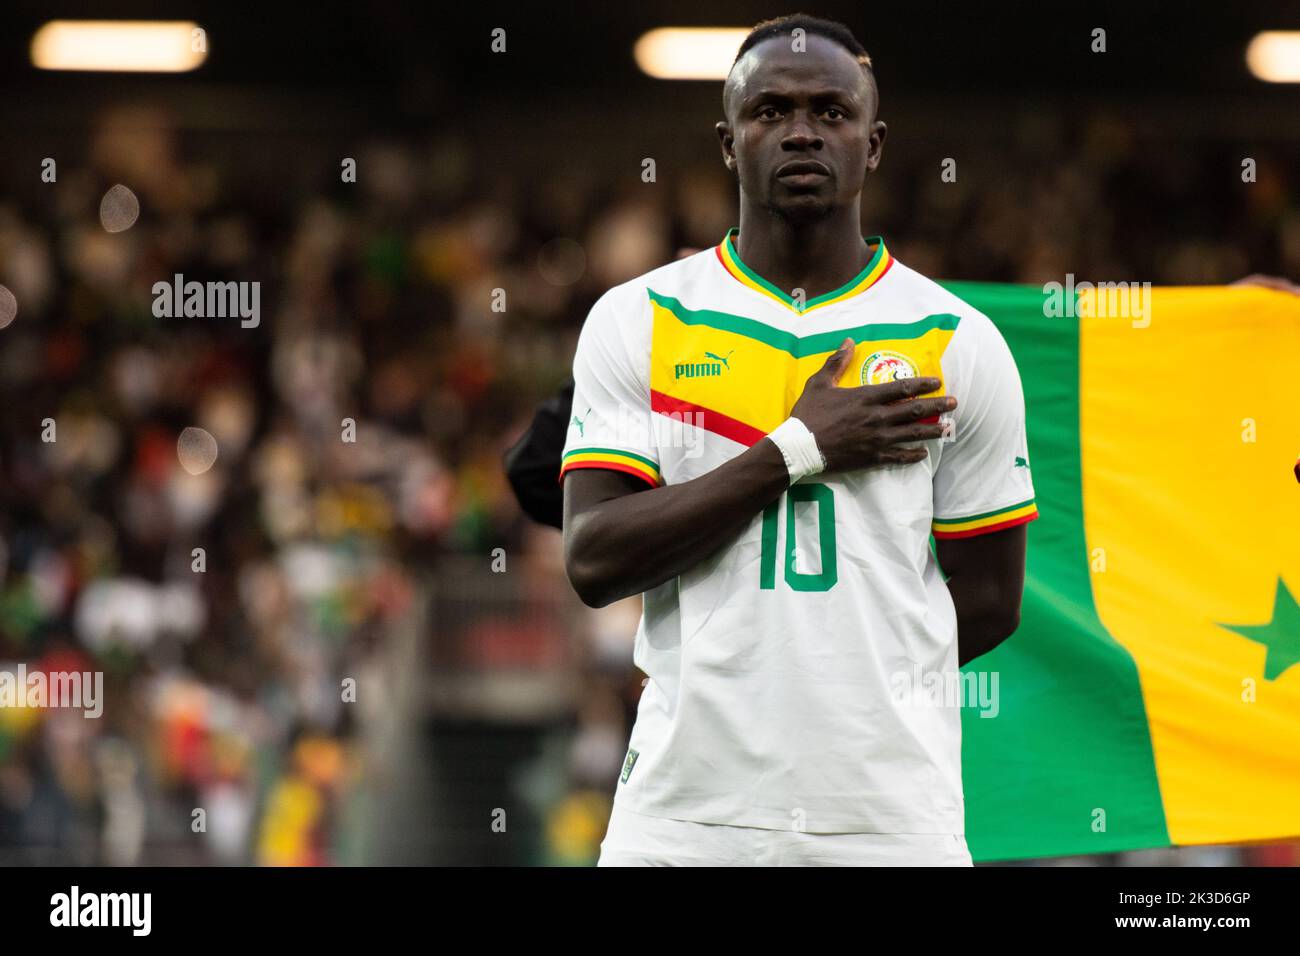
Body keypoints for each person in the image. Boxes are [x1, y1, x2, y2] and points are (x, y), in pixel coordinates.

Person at [544, 13, 1041, 866]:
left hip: (891, 824)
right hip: (683, 822)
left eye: (831, 111)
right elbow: (594, 559)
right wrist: (795, 450)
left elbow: (992, 599)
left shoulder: (956, 339)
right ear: (729, 142)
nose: (803, 131)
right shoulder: (641, 319)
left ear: (873, 143)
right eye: (770, 111)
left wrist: (849, 686)